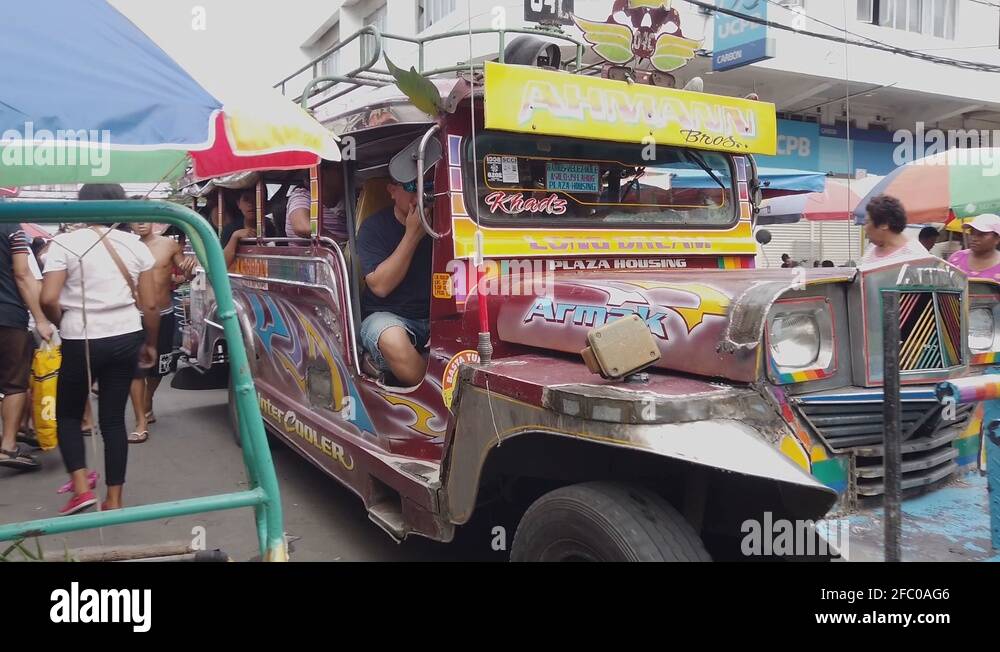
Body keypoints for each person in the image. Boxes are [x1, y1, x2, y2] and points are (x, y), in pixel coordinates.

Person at [41, 184, 160, 515]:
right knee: (112, 419)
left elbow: (48, 297)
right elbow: (150, 304)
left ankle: (81, 490)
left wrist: (63, 319)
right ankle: (115, 500)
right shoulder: (135, 245)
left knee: (68, 413)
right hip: (126, 335)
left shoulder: (65, 242)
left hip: (82, 338)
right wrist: (150, 343)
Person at [357, 179, 432, 387]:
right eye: (411, 187)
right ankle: (437, 398)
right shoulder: (373, 227)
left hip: (434, 315)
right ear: (392, 190)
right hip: (387, 315)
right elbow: (380, 287)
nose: (420, 196)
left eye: (427, 187)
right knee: (391, 338)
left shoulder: (444, 224)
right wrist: (413, 234)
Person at [126, 222, 196, 443]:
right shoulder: (123, 246)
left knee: (159, 367)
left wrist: (190, 270)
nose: (141, 223)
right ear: (129, 222)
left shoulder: (169, 245)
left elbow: (187, 272)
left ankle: (148, 400)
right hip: (131, 315)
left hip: (163, 314)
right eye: (136, 218)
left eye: (145, 216)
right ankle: (141, 420)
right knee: (135, 368)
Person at [0, 223, 54, 470]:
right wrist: (41, 319)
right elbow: (22, 274)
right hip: (8, 315)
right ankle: (7, 447)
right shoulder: (10, 225)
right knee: (14, 384)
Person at [285, 162, 347, 242]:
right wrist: (338, 242)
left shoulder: (346, 197)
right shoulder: (302, 195)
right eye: (339, 170)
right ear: (323, 173)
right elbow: (303, 227)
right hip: (319, 253)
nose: (344, 174)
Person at [860, 195, 928, 267]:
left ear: (884, 224)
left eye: (867, 222)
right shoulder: (870, 251)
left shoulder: (915, 254)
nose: (865, 228)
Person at [222, 188, 276, 268]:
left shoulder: (269, 226)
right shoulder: (230, 229)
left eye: (256, 199)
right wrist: (235, 237)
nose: (251, 204)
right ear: (238, 204)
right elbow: (223, 264)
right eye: (246, 199)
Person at [947, 213, 1000, 280]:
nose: (974, 238)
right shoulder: (957, 258)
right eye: (972, 233)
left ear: (997, 239)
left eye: (982, 234)